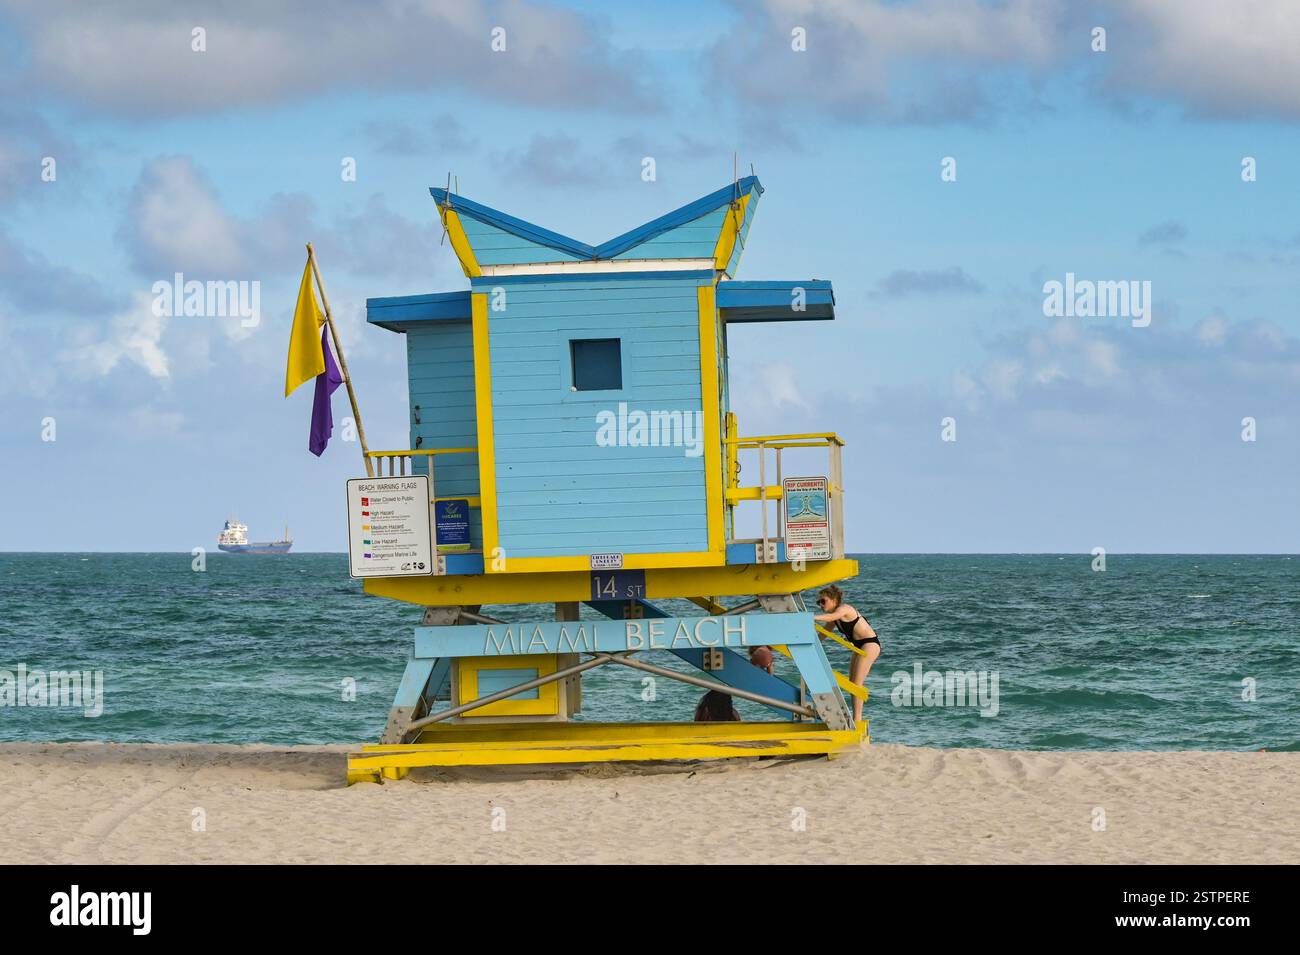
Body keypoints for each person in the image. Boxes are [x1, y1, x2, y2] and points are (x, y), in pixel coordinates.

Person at [813, 584, 879, 724]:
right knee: (851, 683)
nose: (820, 605)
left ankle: (857, 719)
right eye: (819, 602)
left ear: (834, 600)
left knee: (857, 684)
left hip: (870, 644)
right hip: (859, 646)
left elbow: (832, 617)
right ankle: (855, 717)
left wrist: (811, 618)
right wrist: (811, 643)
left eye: (823, 601)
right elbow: (823, 634)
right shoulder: (834, 619)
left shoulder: (844, 609)